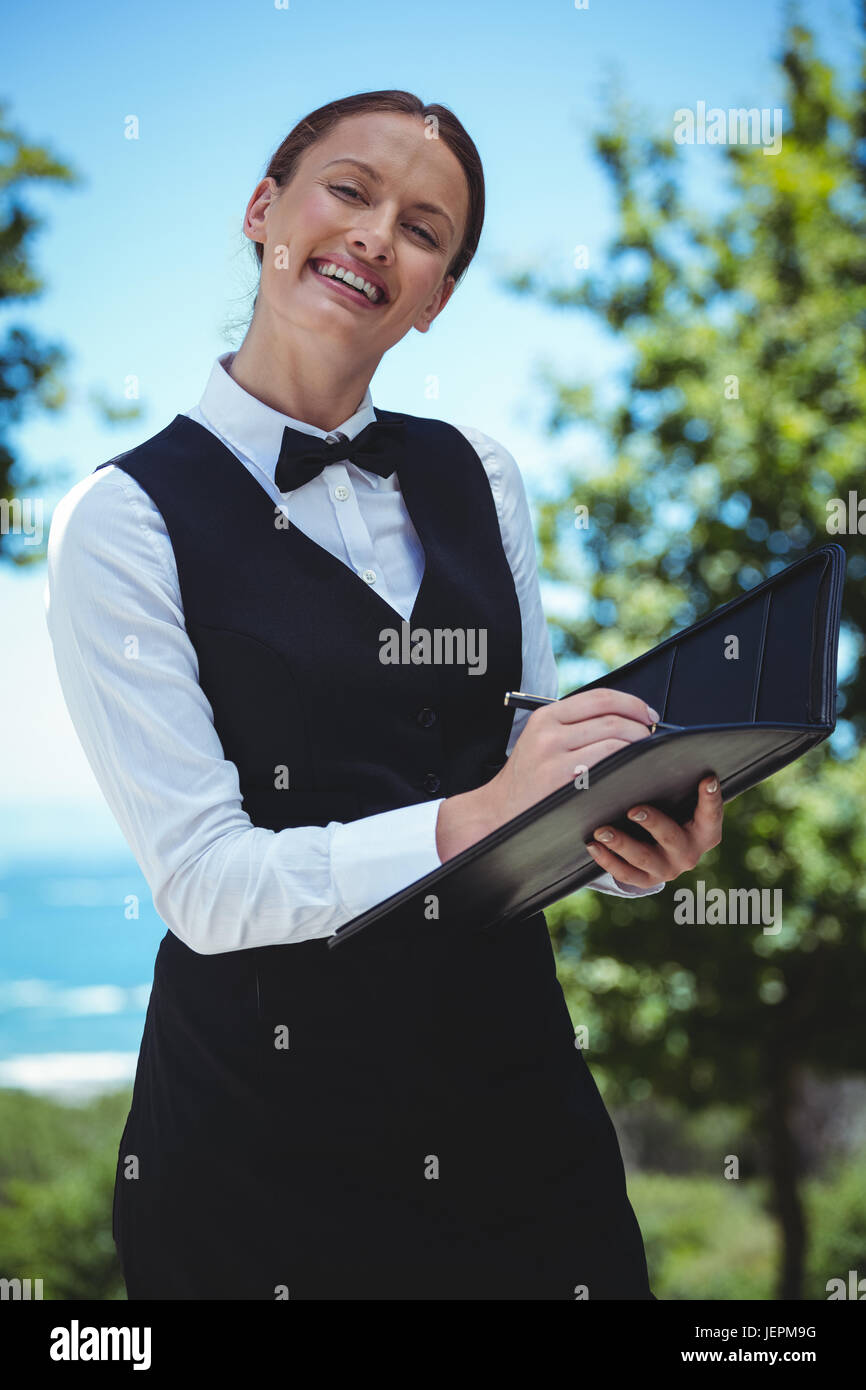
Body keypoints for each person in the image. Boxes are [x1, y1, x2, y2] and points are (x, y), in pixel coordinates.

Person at [44, 89, 724, 1300]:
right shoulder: (120, 520)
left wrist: (621, 841)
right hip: (259, 1160)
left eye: (423, 227)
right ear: (266, 210)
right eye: (347, 190)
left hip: (523, 1129)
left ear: (436, 297)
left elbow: (532, 766)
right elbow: (203, 881)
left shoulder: (485, 477)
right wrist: (472, 815)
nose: (373, 234)